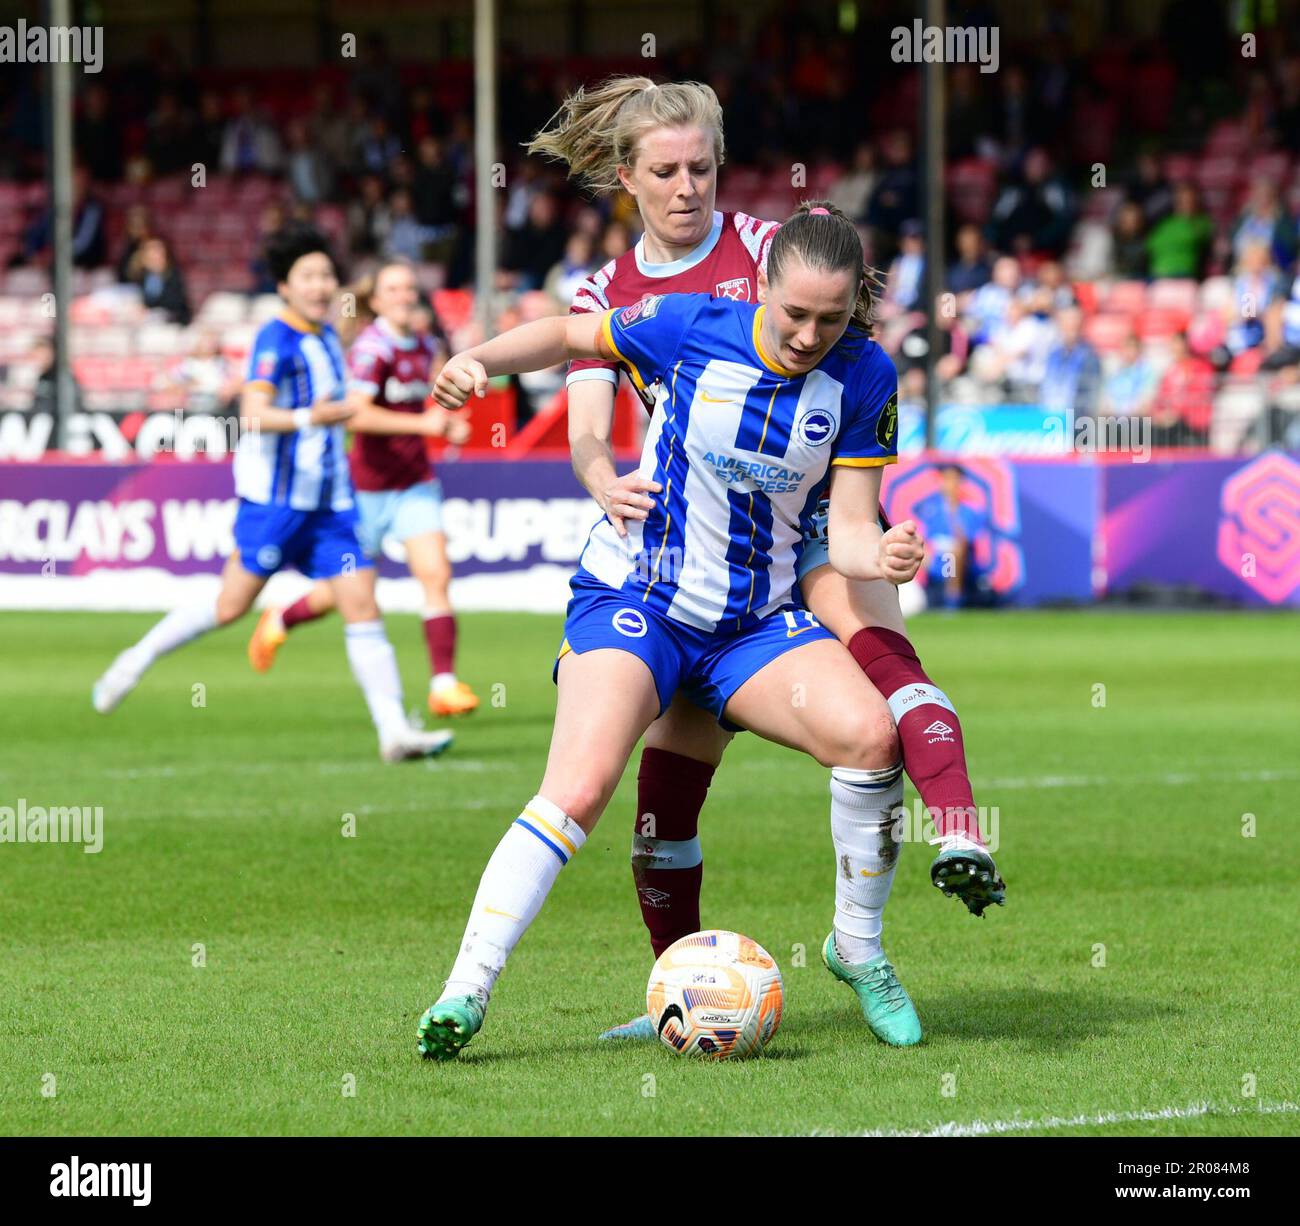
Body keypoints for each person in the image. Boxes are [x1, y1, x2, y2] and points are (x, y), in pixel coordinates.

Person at [525, 77, 1003, 1049]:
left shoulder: (763, 247)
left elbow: (838, 298)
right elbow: (584, 422)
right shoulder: (604, 293)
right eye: (667, 171)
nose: (688, 186)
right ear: (628, 179)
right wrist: (599, 478)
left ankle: (902, 897)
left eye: (702, 166)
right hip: (692, 563)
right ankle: (675, 984)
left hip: (824, 531)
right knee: (664, 801)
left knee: (893, 693)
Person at [416, 206, 928, 1062]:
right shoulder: (690, 323)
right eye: (794, 313)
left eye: (830, 319)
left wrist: (887, 551)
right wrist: (476, 359)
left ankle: (859, 949)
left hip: (752, 624)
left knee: (873, 736)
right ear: (764, 288)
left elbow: (844, 533)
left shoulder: (867, 377)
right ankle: (465, 991)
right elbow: (570, 336)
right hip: (639, 599)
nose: (808, 335)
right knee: (580, 789)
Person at [91, 227, 453, 763]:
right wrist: (315, 416)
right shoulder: (275, 339)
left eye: (326, 275)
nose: (320, 285)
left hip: (331, 506)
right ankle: (135, 659)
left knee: (361, 602)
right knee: (231, 605)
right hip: (277, 506)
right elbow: (252, 416)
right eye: (307, 276)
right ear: (285, 286)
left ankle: (394, 731)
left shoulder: (329, 336)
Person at [248, 259, 479, 717]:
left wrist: (446, 426)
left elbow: (429, 409)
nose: (403, 295)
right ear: (376, 300)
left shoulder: (425, 344)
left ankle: (444, 685)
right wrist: (425, 426)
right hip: (365, 490)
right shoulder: (373, 349)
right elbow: (357, 414)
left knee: (436, 576)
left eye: (409, 287)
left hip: (414, 483)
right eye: (393, 288)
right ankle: (280, 616)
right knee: (348, 594)